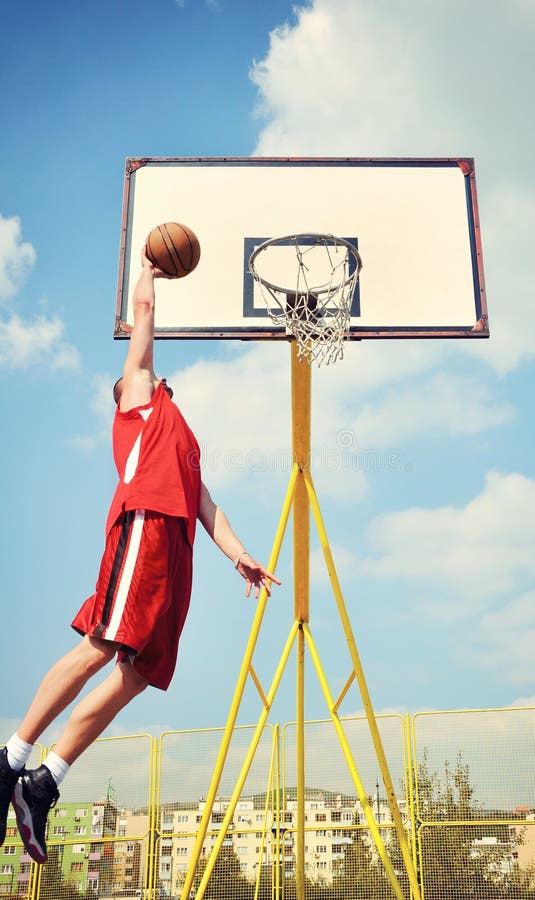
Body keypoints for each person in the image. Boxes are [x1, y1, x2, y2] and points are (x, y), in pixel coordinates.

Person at [0, 249, 280, 864]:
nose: (153, 377)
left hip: (176, 556)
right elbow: (144, 316)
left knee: (140, 673)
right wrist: (149, 273)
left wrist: (240, 556)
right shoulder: (137, 406)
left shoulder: (183, 438)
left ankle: (43, 783)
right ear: (125, 392)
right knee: (101, 644)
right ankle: (11, 759)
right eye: (143, 374)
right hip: (145, 528)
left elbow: (209, 507)